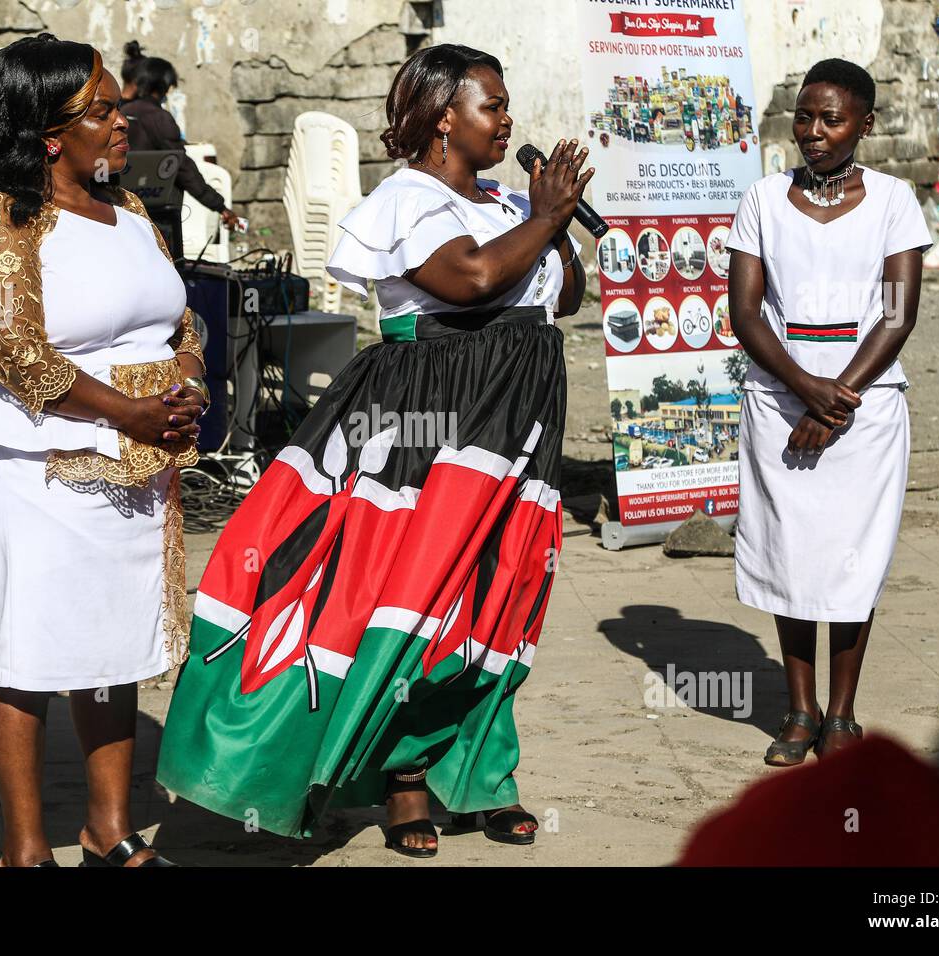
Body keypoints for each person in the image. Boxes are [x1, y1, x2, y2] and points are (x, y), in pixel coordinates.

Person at [156, 43, 588, 857]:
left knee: (499, 596)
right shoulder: (405, 200)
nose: (508, 120)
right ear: (441, 118)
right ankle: (403, 786)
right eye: (492, 105)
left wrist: (548, 225)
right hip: (432, 421)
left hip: (518, 417)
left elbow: (561, 296)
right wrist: (547, 218)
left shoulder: (503, 203)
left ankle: (482, 774)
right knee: (415, 597)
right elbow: (473, 281)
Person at [0, 34, 209, 867]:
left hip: (136, 453)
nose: (123, 123)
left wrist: (185, 379)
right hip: (33, 453)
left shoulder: (129, 212)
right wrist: (129, 410)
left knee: (111, 638)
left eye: (120, 105)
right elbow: (11, 348)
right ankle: (21, 846)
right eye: (103, 110)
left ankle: (107, 829)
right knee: (35, 641)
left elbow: (179, 320)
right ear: (49, 131)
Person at [725, 58, 931, 767]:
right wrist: (804, 388)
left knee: (850, 560)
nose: (813, 132)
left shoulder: (896, 202)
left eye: (831, 119)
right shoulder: (761, 200)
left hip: (866, 398)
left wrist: (836, 397)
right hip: (780, 394)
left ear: (865, 126)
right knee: (791, 554)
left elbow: (898, 315)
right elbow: (746, 315)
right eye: (804, 117)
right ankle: (799, 709)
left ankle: (841, 713)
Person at [120, 54, 241, 230]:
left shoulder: (122, 112)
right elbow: (184, 168)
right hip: (155, 213)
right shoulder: (159, 118)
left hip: (122, 209)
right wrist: (219, 206)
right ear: (162, 87)